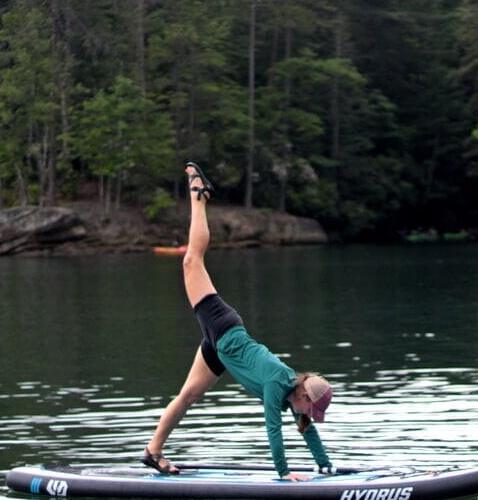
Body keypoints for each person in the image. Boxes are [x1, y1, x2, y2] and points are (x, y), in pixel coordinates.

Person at [143, 162, 334, 481]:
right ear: (303, 396)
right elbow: (273, 432)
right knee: (192, 260)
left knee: (188, 396)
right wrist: (284, 474)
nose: (308, 415)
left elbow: (307, 431)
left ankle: (152, 451)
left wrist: (326, 466)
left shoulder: (294, 393)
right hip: (224, 328)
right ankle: (197, 195)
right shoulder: (278, 385)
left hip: (220, 348)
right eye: (310, 408)